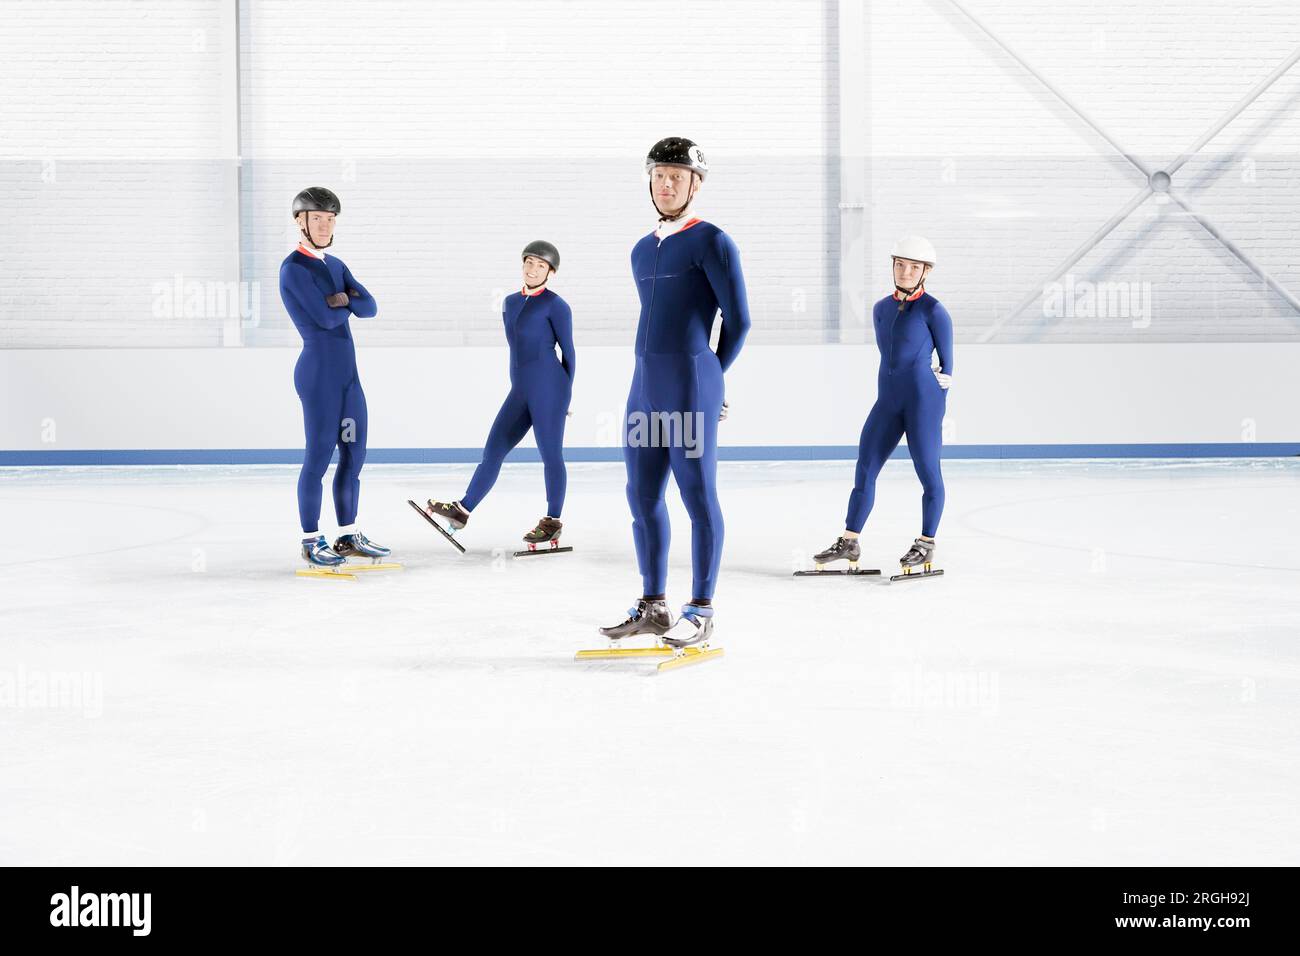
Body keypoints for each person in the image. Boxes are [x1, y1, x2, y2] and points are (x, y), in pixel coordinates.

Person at [599, 137, 751, 647]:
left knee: (696, 496)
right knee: (641, 497)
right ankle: (654, 604)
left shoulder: (712, 241)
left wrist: (712, 378)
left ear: (695, 185)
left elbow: (740, 320)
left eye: (677, 176)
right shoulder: (642, 248)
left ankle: (702, 609)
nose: (667, 184)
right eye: (659, 175)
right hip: (643, 388)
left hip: (689, 386)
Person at [811, 236, 952, 576]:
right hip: (888, 400)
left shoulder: (934, 311)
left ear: (925, 272)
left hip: (923, 402)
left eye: (913, 267)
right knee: (865, 468)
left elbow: (948, 368)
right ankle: (850, 540)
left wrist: (938, 395)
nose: (905, 272)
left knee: (928, 472)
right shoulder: (880, 309)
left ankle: (926, 542)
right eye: (900, 265)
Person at [425, 241, 575, 548]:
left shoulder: (557, 306)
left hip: (550, 391)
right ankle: (462, 510)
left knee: (550, 455)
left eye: (540, 266)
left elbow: (569, 353)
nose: (533, 269)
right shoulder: (508, 302)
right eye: (529, 263)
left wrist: (564, 397)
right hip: (520, 390)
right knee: (492, 452)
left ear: (551, 272)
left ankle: (552, 522)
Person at [278, 186, 389, 569]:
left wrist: (340, 299)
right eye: (317, 218)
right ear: (300, 221)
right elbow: (326, 320)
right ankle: (310, 540)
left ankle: (347, 534)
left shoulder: (336, 265)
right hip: (318, 375)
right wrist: (346, 300)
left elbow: (370, 307)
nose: (324, 225)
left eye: (330, 219)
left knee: (353, 456)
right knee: (318, 458)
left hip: (348, 379)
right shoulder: (293, 268)